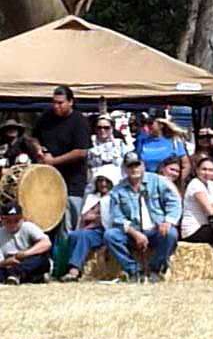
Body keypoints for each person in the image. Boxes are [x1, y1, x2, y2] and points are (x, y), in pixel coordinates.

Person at [106, 152, 180, 281]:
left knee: (171, 234)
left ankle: (155, 269)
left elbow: (173, 202)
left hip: (156, 229)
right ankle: (133, 270)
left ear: (143, 166)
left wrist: (168, 221)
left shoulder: (157, 181)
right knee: (110, 235)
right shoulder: (117, 190)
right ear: (124, 169)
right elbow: (117, 217)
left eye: (137, 165)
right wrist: (135, 233)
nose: (134, 169)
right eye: (130, 166)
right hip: (132, 232)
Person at [33, 86, 92, 248]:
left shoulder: (80, 121)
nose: (56, 106)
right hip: (48, 181)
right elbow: (33, 137)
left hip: (72, 181)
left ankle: (65, 263)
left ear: (71, 102)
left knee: (69, 224)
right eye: (54, 102)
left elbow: (81, 151)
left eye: (60, 103)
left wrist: (54, 161)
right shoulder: (46, 117)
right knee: (45, 220)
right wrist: (39, 150)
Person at [61, 173, 116, 282]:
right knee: (73, 235)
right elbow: (83, 216)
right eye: (100, 181)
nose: (103, 184)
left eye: (106, 181)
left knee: (83, 236)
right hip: (89, 229)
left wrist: (96, 217)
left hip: (104, 231)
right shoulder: (91, 197)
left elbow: (113, 217)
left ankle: (74, 270)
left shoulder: (115, 197)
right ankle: (69, 268)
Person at [0, 203, 52, 284]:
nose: (13, 224)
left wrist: (25, 254)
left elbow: (46, 243)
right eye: (8, 221)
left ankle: (16, 274)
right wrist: (6, 262)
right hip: (9, 265)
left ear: (22, 219)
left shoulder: (28, 227)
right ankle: (24, 277)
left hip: (28, 261)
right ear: (2, 220)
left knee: (41, 258)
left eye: (16, 220)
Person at [136, 116, 190, 180]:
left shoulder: (173, 141)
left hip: (168, 182)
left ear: (161, 125)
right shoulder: (142, 142)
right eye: (145, 123)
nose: (147, 126)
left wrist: (178, 182)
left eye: (151, 123)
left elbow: (186, 165)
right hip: (148, 182)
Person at [86, 115, 127, 188]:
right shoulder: (89, 144)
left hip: (117, 183)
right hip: (95, 184)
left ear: (112, 129)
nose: (102, 130)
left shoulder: (120, 144)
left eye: (106, 128)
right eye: (99, 127)